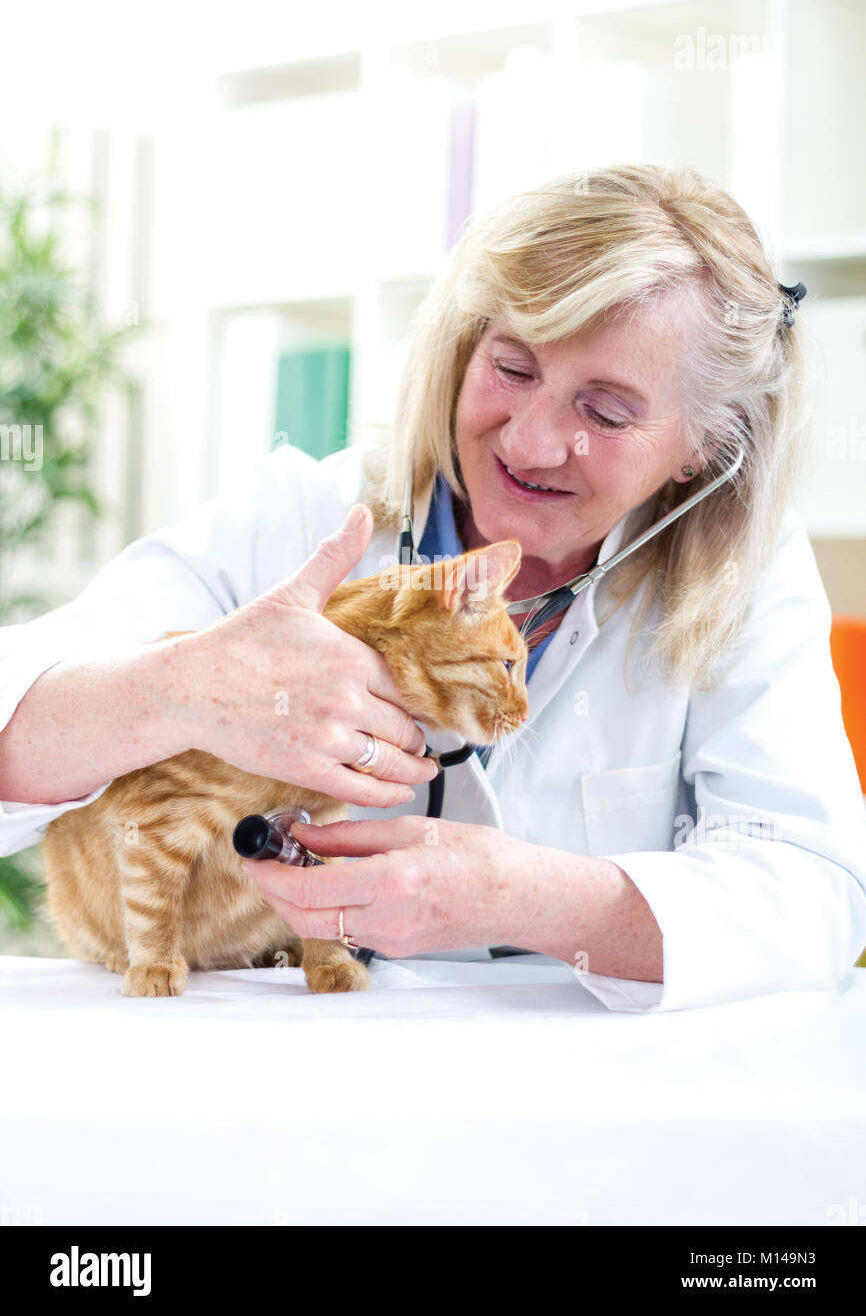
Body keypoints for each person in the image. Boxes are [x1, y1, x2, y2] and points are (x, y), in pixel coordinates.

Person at [1, 163, 864, 1013]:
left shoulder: (742, 577)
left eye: (604, 412)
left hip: (595, 1098)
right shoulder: (307, 518)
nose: (528, 443)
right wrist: (180, 691)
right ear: (462, 350)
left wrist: (529, 896)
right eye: (513, 369)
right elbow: (16, 716)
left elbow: (814, 893)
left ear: (705, 447)